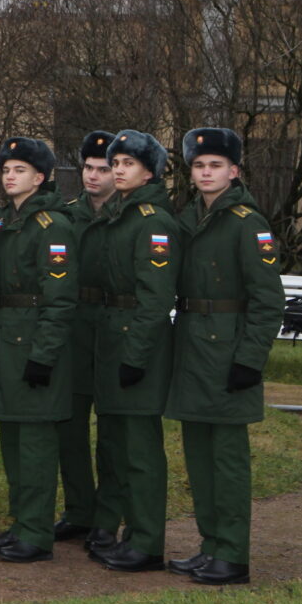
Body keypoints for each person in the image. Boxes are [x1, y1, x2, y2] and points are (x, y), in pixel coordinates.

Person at [164, 126, 283, 586]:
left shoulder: (247, 223)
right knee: (198, 455)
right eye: (198, 165)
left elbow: (268, 299)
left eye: (215, 165)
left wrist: (250, 359)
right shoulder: (190, 217)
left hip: (230, 349)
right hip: (192, 346)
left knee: (227, 459)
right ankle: (210, 543)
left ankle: (232, 554)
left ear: (234, 171)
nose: (206, 172)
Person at [0, 137, 79, 564]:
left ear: (40, 178)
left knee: (36, 444)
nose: (9, 177)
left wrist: (44, 354)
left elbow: (60, 299)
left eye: (19, 170)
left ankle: (37, 533)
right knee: (14, 441)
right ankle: (22, 522)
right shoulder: (7, 222)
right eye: (5, 170)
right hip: (7, 341)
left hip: (35, 342)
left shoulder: (51, 225)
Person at [89, 129, 178, 573]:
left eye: (127, 164)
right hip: (112, 339)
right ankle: (127, 532)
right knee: (116, 446)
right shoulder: (119, 215)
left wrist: (136, 355)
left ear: (150, 172)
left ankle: (147, 541)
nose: (117, 171)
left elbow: (155, 298)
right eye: (115, 163)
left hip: (136, 343)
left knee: (141, 452)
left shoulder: (152, 221)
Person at [59, 129, 116, 550]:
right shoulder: (68, 214)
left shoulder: (128, 215)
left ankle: (107, 517)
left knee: (112, 431)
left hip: (113, 325)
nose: (93, 177)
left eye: (103, 169)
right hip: (74, 327)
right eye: (88, 168)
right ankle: (79, 510)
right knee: (70, 426)